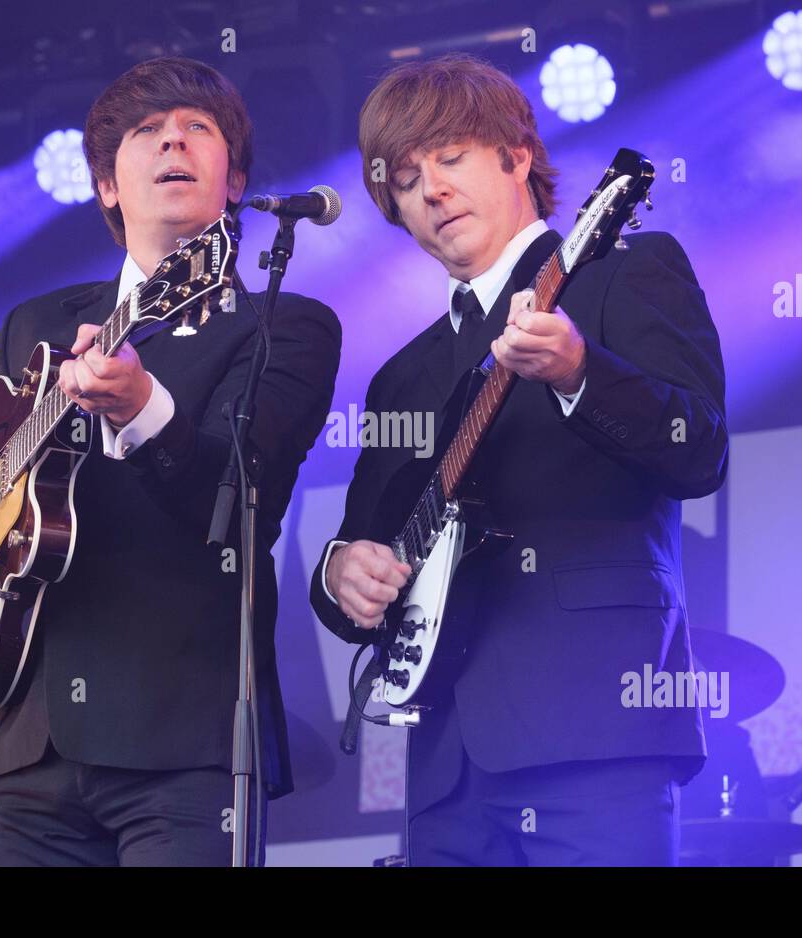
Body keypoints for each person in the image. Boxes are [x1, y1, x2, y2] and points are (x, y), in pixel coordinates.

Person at [0, 56, 341, 866]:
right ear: (106, 185)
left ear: (232, 183)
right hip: (33, 739)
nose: (174, 138)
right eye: (148, 131)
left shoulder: (286, 324)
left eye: (197, 129)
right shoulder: (40, 323)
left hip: (186, 739)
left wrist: (141, 409)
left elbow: (242, 494)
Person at [309, 54, 727, 866]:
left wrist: (580, 373)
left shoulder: (623, 274)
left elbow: (700, 447)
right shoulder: (403, 373)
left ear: (517, 156)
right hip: (442, 769)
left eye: (451, 156)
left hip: (596, 730)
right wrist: (339, 572)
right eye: (404, 179)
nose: (429, 189)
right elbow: (365, 541)